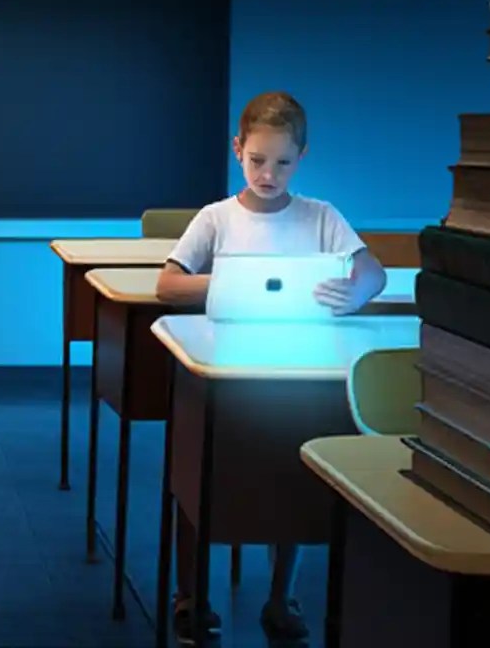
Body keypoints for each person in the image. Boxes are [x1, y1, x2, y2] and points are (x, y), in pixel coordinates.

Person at [155, 91, 386, 645]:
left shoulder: (321, 216)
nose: (269, 173)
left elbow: (372, 273)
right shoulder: (216, 218)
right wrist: (230, 284)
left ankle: (281, 597)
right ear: (238, 150)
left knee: (294, 483)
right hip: (222, 376)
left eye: (283, 162)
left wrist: (355, 294)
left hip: (299, 373)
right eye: (258, 160)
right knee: (204, 473)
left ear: (301, 157)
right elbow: (167, 284)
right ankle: (191, 595)